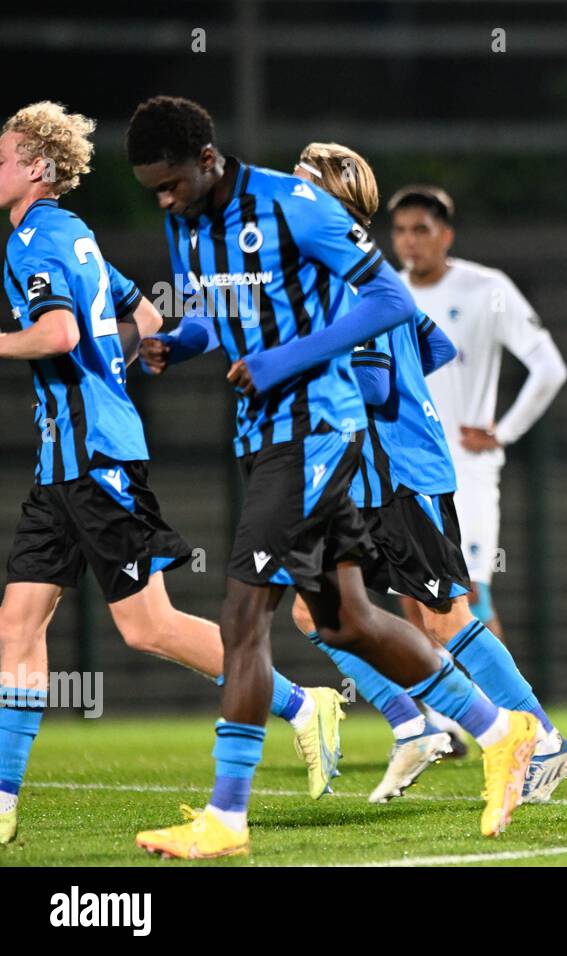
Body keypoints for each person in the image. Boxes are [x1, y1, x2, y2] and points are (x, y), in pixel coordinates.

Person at [125, 96, 538, 857]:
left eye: (173, 182)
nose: (166, 199)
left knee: (244, 615)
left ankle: (227, 815)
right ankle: (500, 729)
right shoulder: (185, 224)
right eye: (154, 189)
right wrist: (177, 345)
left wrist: (286, 359)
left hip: (318, 430)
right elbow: (226, 315)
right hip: (266, 435)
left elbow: (388, 300)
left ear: (209, 160)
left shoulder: (296, 203)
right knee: (344, 619)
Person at [0, 102, 342, 847]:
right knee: (17, 623)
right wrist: (109, 363)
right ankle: (1, 802)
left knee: (146, 627)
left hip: (95, 460)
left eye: (1, 158)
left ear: (35, 168)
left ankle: (299, 704)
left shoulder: (33, 240)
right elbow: (147, 319)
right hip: (67, 460)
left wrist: (70, 360)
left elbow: (57, 331)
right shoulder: (74, 234)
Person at [285, 144, 567, 805]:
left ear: (332, 198)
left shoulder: (346, 272)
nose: (289, 197)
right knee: (314, 609)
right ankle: (412, 720)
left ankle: (544, 741)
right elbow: (435, 345)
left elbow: (369, 377)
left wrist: (290, 371)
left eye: (304, 186)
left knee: (446, 615)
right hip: (362, 476)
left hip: (396, 475)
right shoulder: (351, 269)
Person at [386, 184, 567, 798]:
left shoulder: (484, 287)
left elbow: (549, 365)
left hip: (463, 475)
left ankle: (526, 733)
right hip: (403, 470)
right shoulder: (385, 290)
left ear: (446, 234)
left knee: (465, 597)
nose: (409, 242)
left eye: (421, 229)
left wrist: (501, 432)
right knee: (412, 605)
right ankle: (460, 722)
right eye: (401, 231)